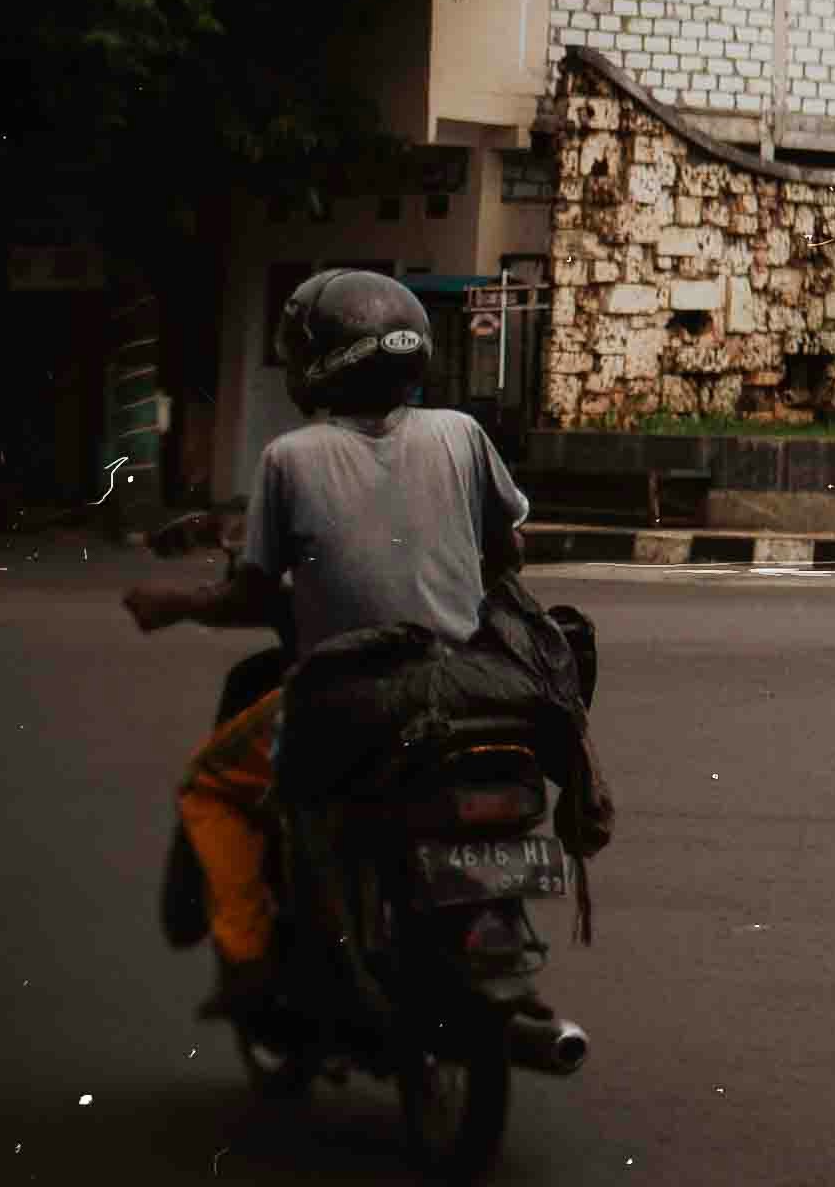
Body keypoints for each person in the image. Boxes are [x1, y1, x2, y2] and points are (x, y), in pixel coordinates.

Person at [118, 271, 536, 1018]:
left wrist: (172, 605)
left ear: (314, 366)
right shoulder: (463, 435)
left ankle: (246, 964)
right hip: (467, 684)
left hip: (349, 696)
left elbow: (253, 593)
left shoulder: (291, 457)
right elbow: (506, 553)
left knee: (209, 784)